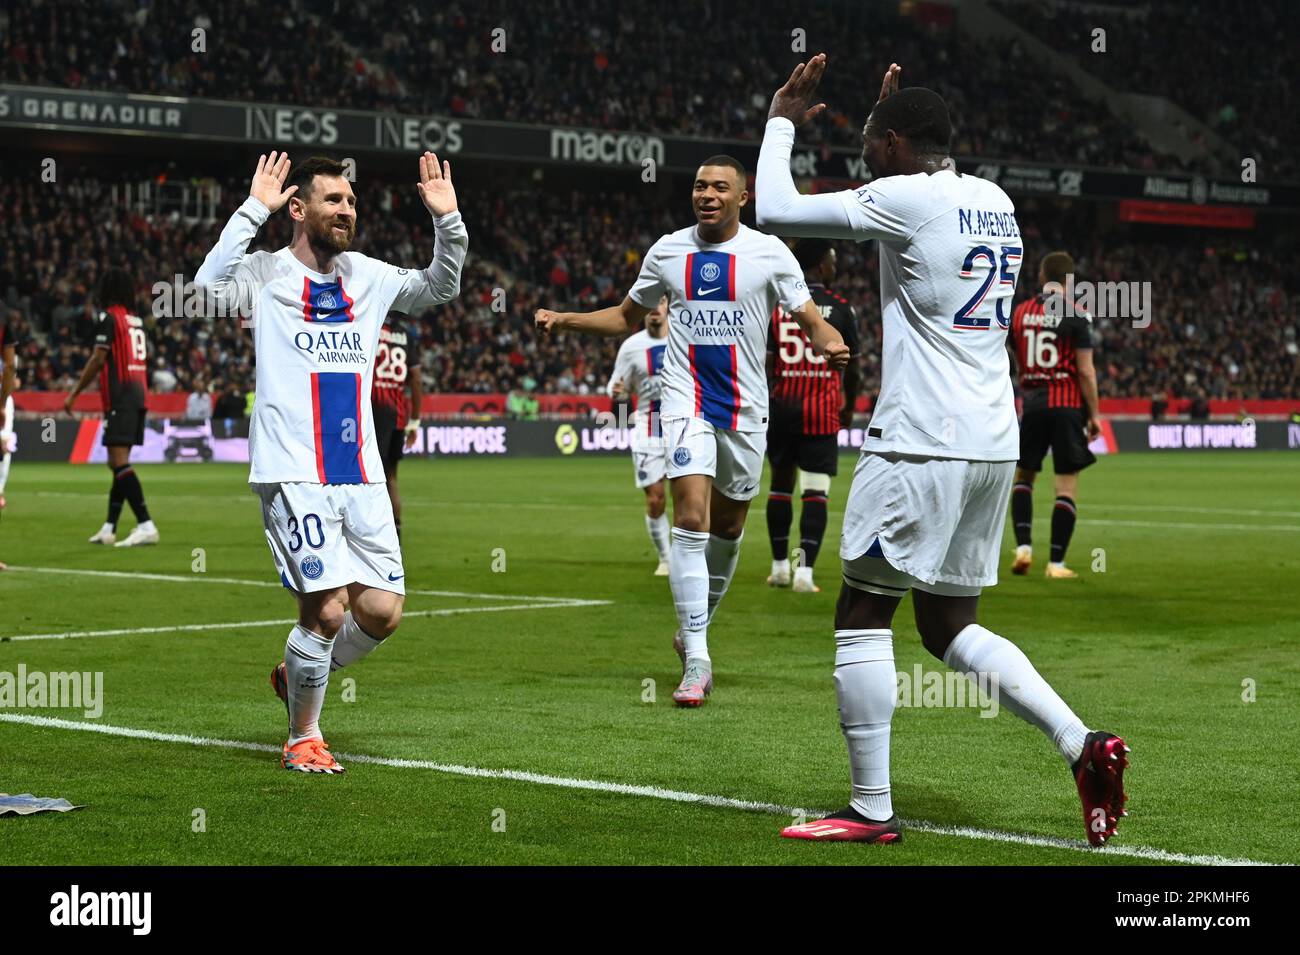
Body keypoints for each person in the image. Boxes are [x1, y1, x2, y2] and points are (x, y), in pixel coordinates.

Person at [757, 56, 1128, 845]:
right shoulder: (993, 199)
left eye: (869, 137)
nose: (861, 146)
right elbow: (916, 216)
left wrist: (782, 115)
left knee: (862, 608)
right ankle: (1083, 744)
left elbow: (776, 207)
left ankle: (870, 808)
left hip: (921, 440)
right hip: (992, 439)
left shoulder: (902, 195)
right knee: (948, 625)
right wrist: (893, 125)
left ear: (894, 144)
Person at [536, 155, 849, 706]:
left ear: (742, 198)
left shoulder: (770, 252)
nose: (707, 193)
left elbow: (808, 315)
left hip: (747, 410)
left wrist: (827, 339)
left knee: (729, 529)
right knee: (691, 517)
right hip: (684, 403)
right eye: (700, 185)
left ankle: (694, 630)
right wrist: (567, 320)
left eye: (720, 186)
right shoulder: (666, 250)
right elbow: (625, 318)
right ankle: (698, 659)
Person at [195, 151, 467, 773]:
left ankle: (295, 672)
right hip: (293, 469)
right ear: (299, 209)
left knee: (381, 612)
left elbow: (439, 288)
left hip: (360, 471)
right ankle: (303, 737)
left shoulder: (368, 275)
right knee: (326, 609)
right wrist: (249, 211)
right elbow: (206, 290)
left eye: (350, 201)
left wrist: (447, 224)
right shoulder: (264, 274)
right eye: (333, 201)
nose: (346, 210)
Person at [765, 239, 861, 593]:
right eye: (833, 262)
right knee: (815, 492)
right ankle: (803, 573)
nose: (835, 268)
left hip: (783, 407)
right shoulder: (841, 308)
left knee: (779, 487)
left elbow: (768, 362)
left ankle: (778, 568)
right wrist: (848, 403)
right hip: (821, 412)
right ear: (821, 265)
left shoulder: (778, 308)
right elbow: (851, 367)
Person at [1007, 251, 1100, 578]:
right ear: (1069, 281)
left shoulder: (1019, 312)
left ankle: (1023, 548)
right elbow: (1086, 372)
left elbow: (1009, 357)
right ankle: (1056, 564)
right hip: (1066, 406)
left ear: (1041, 276)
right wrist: (1095, 415)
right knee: (1066, 486)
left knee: (1024, 477)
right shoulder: (1076, 315)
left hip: (1031, 404)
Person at [64, 268, 159, 548]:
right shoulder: (136, 320)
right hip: (138, 393)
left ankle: (146, 524)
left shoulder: (110, 318)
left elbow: (97, 359)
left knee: (119, 462)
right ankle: (109, 528)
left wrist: (74, 394)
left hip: (121, 396)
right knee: (115, 461)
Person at [606, 294, 671, 576]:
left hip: (687, 427)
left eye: (661, 302)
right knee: (656, 499)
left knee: (688, 500)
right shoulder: (631, 347)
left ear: (669, 306)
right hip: (649, 430)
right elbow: (616, 390)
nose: (655, 308)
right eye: (651, 303)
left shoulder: (686, 338)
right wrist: (618, 396)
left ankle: (688, 557)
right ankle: (666, 558)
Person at [371, 311, 423, 541]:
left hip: (373, 410)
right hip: (399, 414)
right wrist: (415, 420)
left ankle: (373, 533)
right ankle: (396, 534)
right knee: (391, 476)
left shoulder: (369, 323)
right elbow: (417, 378)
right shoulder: (405, 334)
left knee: (368, 476)